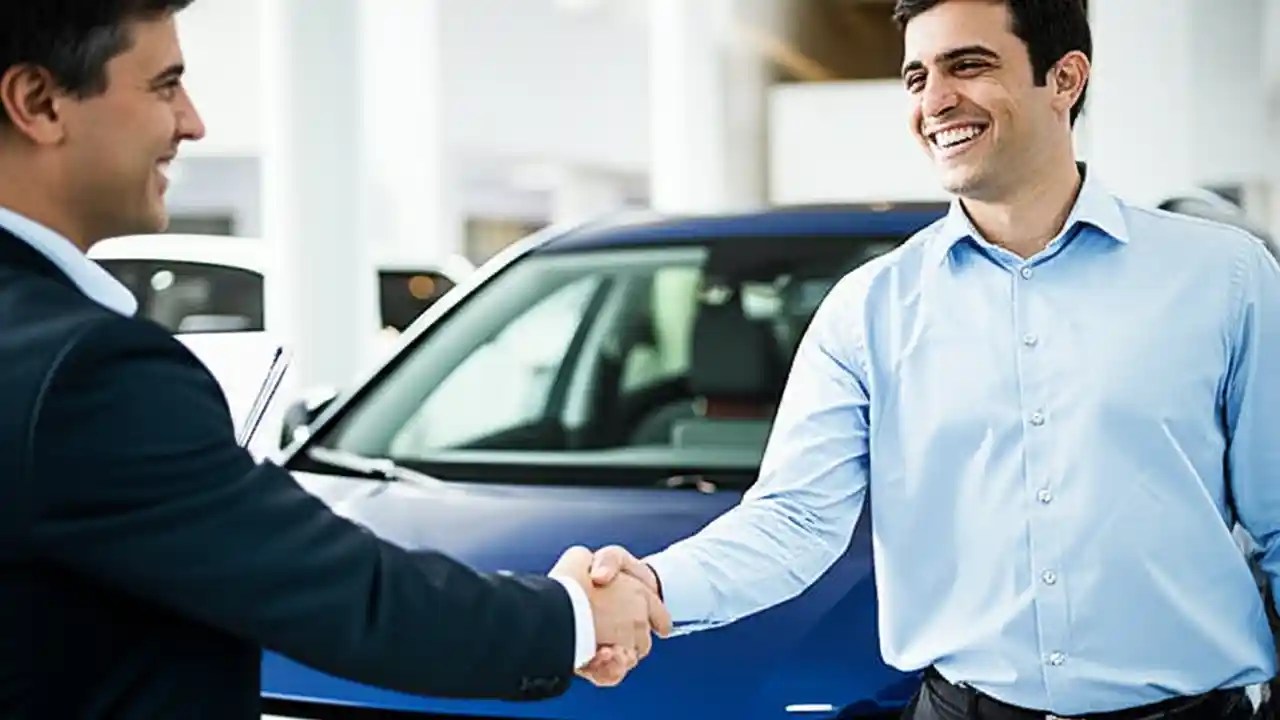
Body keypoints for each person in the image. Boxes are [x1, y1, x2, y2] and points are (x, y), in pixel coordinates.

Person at [576, 0, 1280, 718]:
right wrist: (652, 587)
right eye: (916, 77)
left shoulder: (1223, 279)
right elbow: (794, 520)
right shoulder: (867, 310)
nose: (934, 101)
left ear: (1065, 79)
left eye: (967, 65)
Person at [0, 2, 668, 718]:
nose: (192, 123)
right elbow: (348, 596)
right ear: (39, 103)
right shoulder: (84, 373)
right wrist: (573, 617)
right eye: (164, 86)